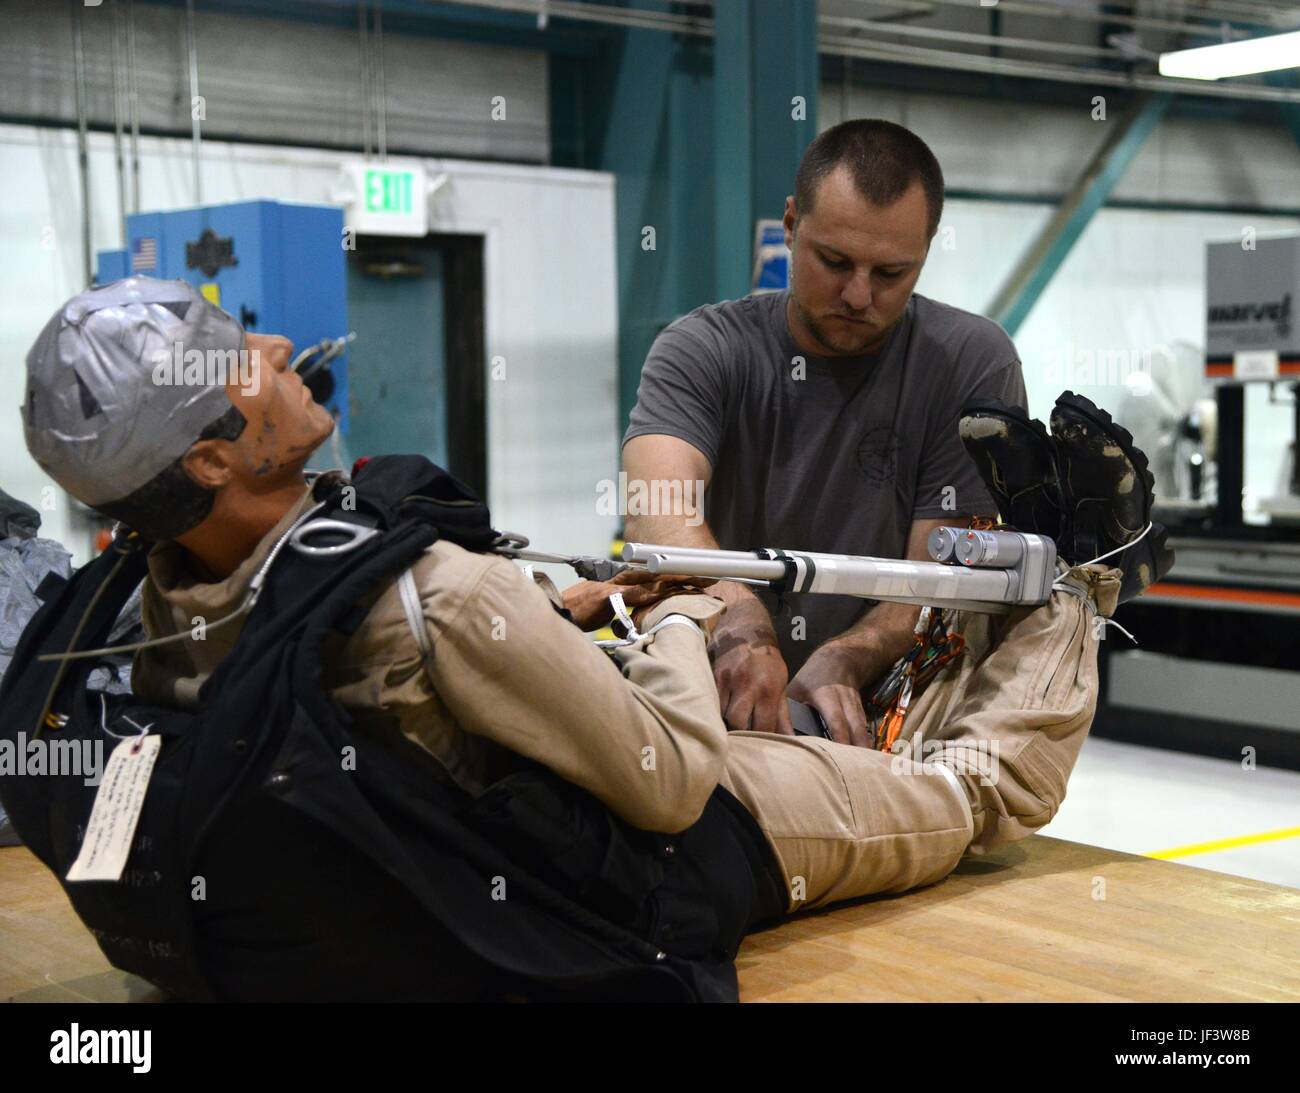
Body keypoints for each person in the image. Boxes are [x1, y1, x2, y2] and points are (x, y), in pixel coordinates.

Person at [20, 277, 1167, 994]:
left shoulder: (123, 610)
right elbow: (667, 781)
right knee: (968, 795)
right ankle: (1085, 584)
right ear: (212, 458)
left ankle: (1033, 599)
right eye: (235, 358)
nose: (270, 351)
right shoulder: (426, 591)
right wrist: (677, 608)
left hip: (507, 802)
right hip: (667, 835)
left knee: (859, 743)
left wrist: (559, 629)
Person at [623, 118, 1033, 744]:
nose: (858, 295)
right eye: (834, 261)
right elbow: (657, 516)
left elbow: (944, 576)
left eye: (891, 273)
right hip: (714, 692)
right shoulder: (700, 349)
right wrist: (743, 624)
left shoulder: (970, 362)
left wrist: (849, 655)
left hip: (889, 711)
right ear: (791, 226)